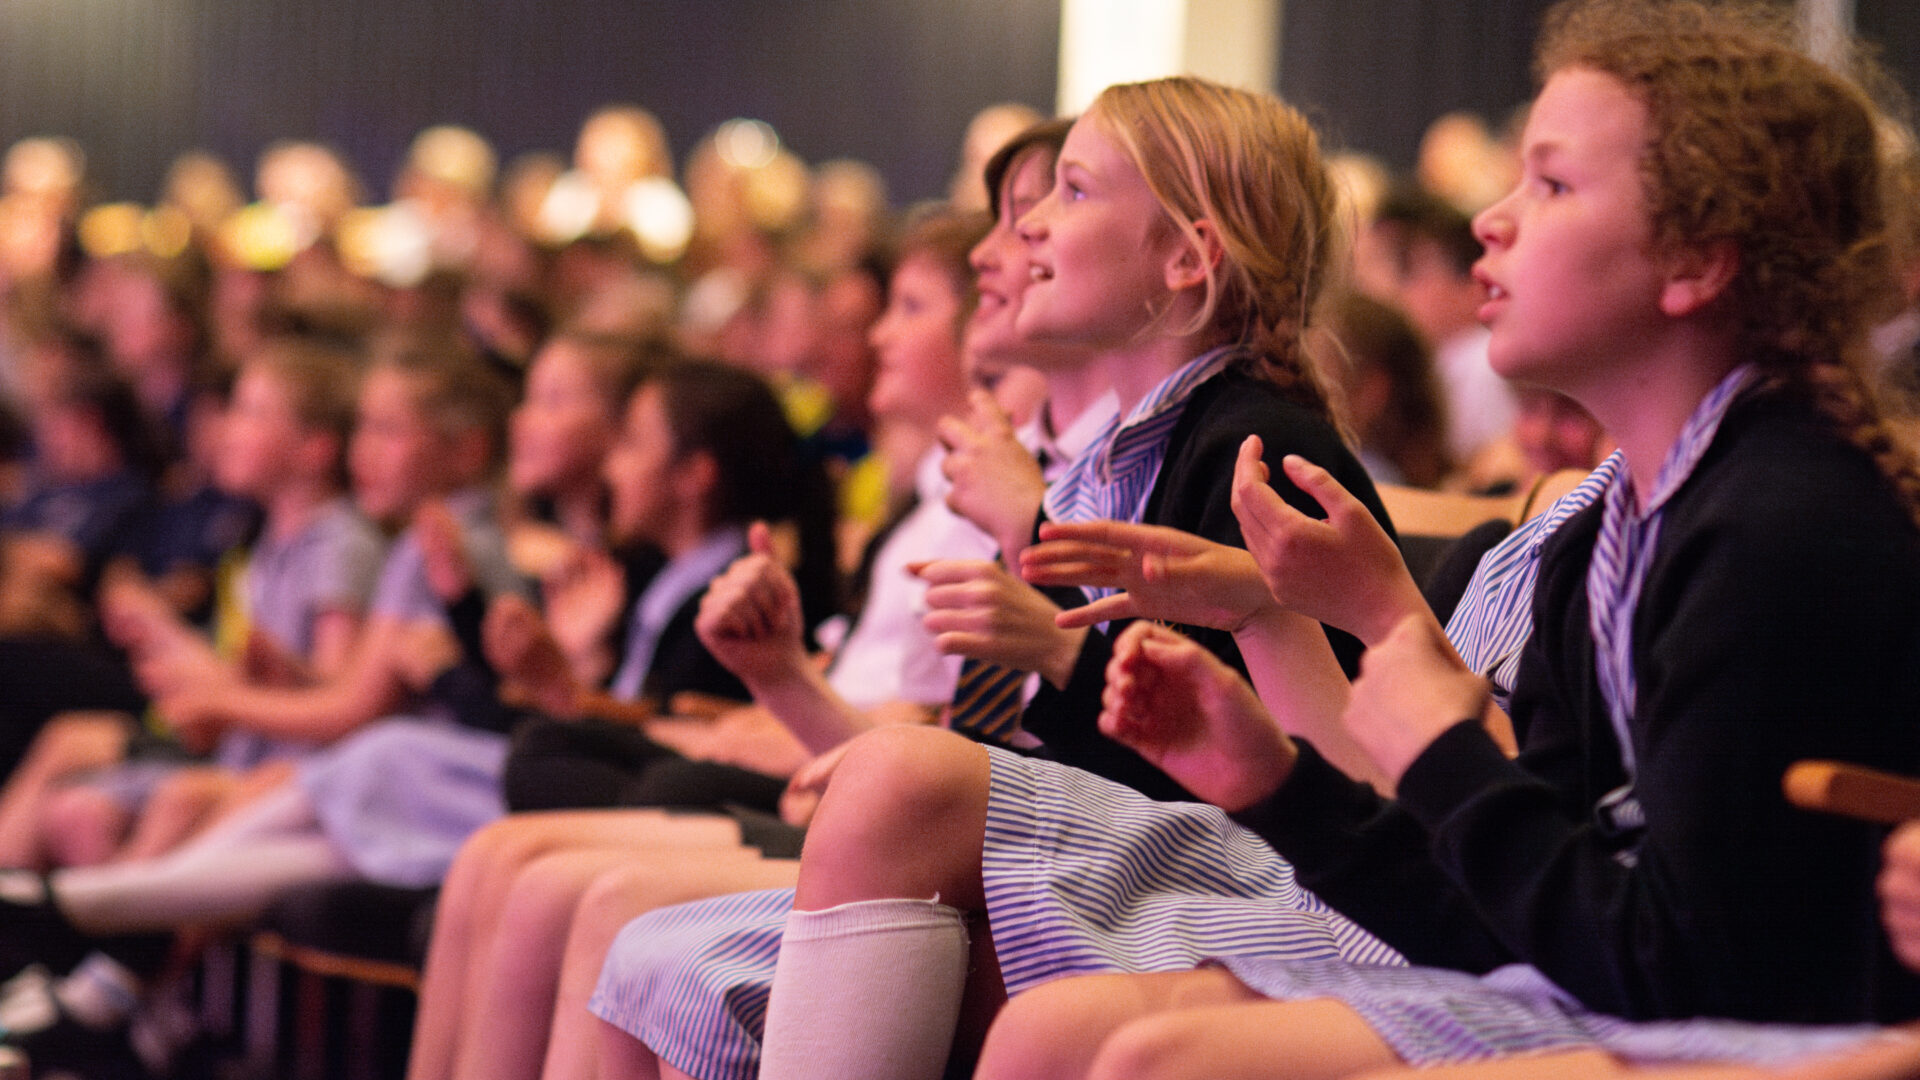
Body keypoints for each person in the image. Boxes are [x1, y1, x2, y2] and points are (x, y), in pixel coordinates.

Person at [974, 2, 1920, 1076]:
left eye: (1552, 186)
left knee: (1156, 1061)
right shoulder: (1599, 542)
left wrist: (1440, 750)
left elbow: (1681, 964)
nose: (1491, 220)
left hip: (1762, 1030)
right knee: (1064, 1040)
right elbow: (1506, 914)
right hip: (1617, 986)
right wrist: (1273, 782)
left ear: (1697, 259)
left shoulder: (1783, 530)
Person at [590, 76, 1392, 1080]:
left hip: (1241, 871)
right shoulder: (1123, 455)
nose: (1021, 240)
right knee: (646, 955)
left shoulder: (1253, 450)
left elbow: (1223, 761)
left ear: (1186, 258)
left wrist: (1046, 607)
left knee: (678, 910)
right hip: (1095, 836)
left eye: (1073, 194)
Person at [5, 336, 381, 872]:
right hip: (246, 748)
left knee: (98, 791)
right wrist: (166, 636)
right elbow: (258, 679)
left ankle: (120, 953)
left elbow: (335, 695)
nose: (227, 430)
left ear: (314, 448)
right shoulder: (272, 542)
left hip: (284, 768)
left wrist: (219, 687)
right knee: (77, 807)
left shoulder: (340, 542)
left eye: (251, 413)